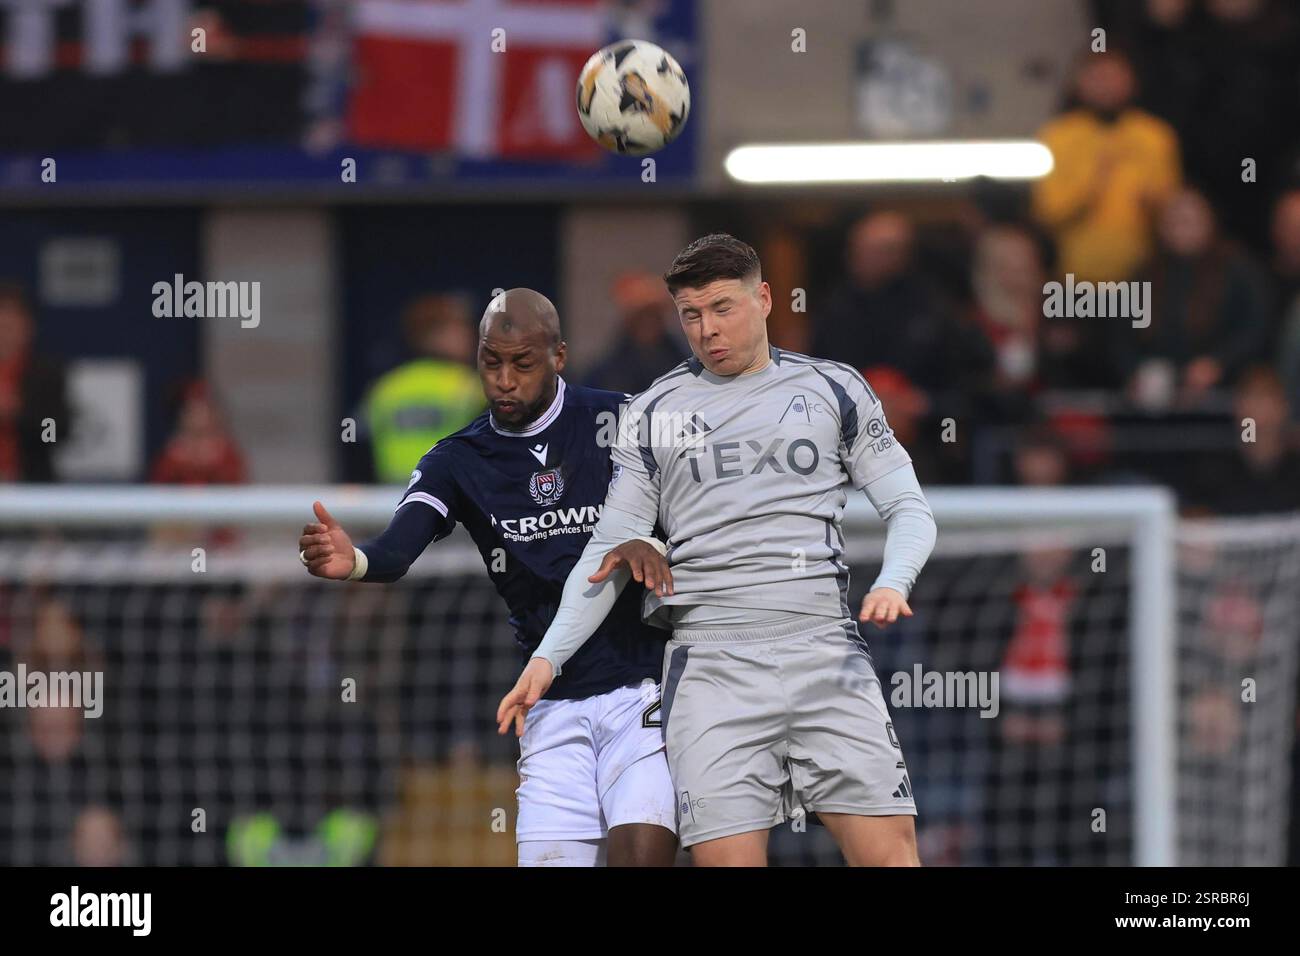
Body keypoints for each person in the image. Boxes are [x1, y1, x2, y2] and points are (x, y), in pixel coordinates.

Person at [499, 235, 937, 866]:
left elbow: (909, 508)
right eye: (692, 315)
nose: (708, 329)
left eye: (724, 308)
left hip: (824, 650)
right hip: (711, 668)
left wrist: (894, 581)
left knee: (892, 858)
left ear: (763, 299)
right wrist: (546, 659)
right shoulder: (655, 412)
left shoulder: (833, 388)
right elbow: (605, 554)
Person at [299, 289, 677, 867]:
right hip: (549, 703)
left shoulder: (623, 418)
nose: (504, 379)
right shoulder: (459, 459)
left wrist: (653, 543)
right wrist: (353, 561)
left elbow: (700, 518)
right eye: (490, 362)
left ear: (559, 356)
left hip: (642, 688)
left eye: (522, 363)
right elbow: (399, 549)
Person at [1032, 48, 1181, 283]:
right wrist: (1091, 187)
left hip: (1145, 275)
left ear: (1131, 81)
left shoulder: (1155, 135)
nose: (1106, 86)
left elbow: (1172, 211)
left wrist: (1153, 203)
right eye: (1097, 77)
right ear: (1078, 82)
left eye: (1113, 77)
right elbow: (1047, 212)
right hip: (1074, 276)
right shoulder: (1057, 136)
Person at [358, 293, 485, 484]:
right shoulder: (471, 386)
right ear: (431, 335)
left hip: (391, 498)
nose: (470, 336)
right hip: (451, 496)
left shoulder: (385, 388)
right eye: (459, 328)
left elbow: (359, 449)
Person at [0, 281, 69, 483]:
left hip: (30, 486)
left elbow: (57, 433)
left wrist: (17, 413)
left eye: (10, 324)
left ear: (28, 327)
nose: (4, 332)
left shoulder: (45, 374)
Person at [583, 272, 687, 395]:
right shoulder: (607, 372)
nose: (648, 322)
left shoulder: (684, 362)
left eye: (654, 314)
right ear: (628, 318)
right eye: (641, 315)